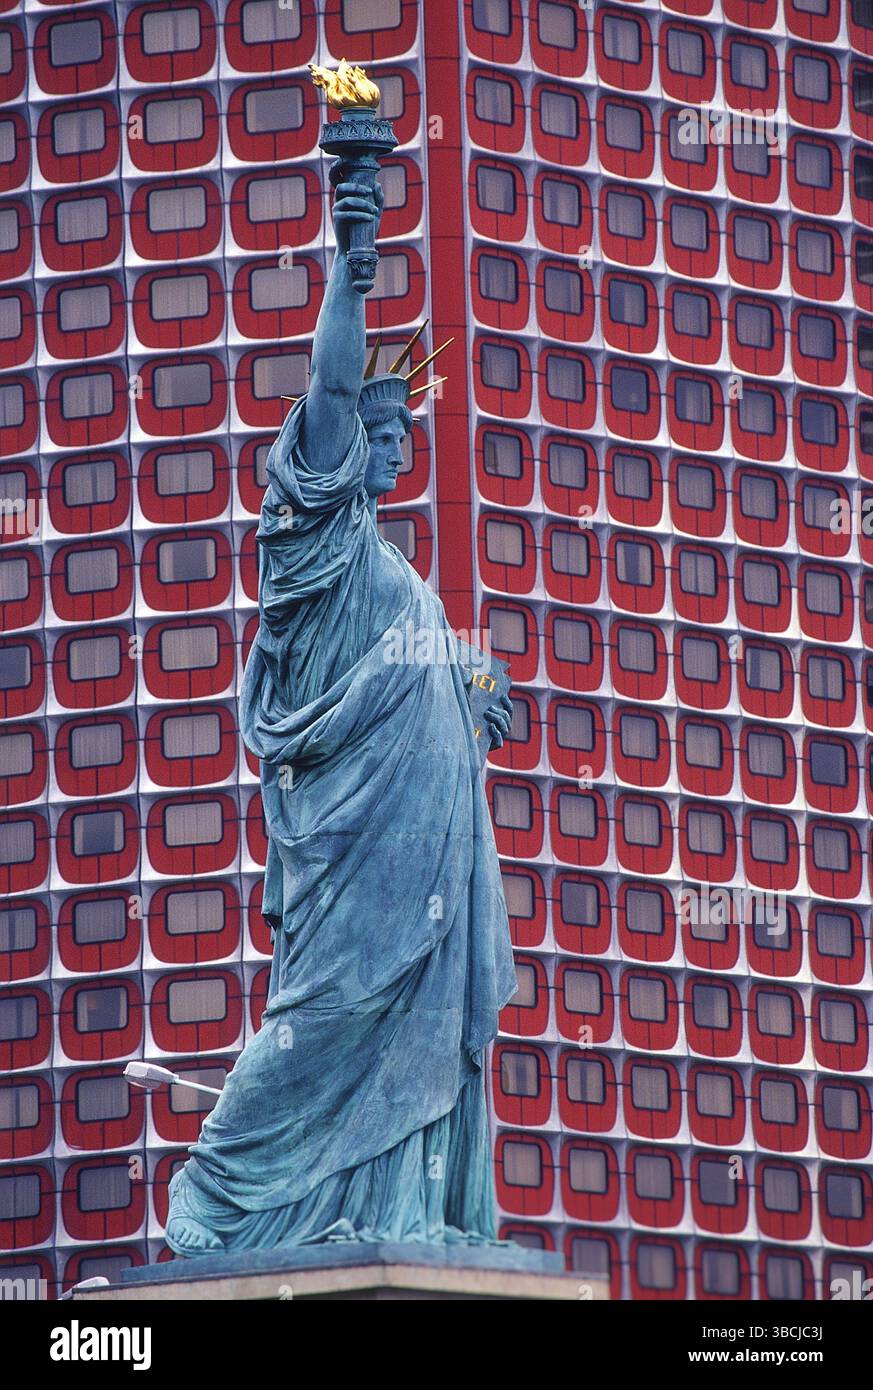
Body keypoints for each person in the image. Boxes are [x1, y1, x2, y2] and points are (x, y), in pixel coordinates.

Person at [165, 178, 516, 1255]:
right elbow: (326, 391)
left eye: (404, 420)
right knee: (319, 1023)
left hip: (423, 881)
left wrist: (473, 722)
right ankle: (220, 1198)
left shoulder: (405, 578)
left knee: (410, 1038)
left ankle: (399, 1209)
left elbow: (430, 708)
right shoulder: (318, 541)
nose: (394, 432)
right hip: (350, 872)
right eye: (378, 420)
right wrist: (349, 257)